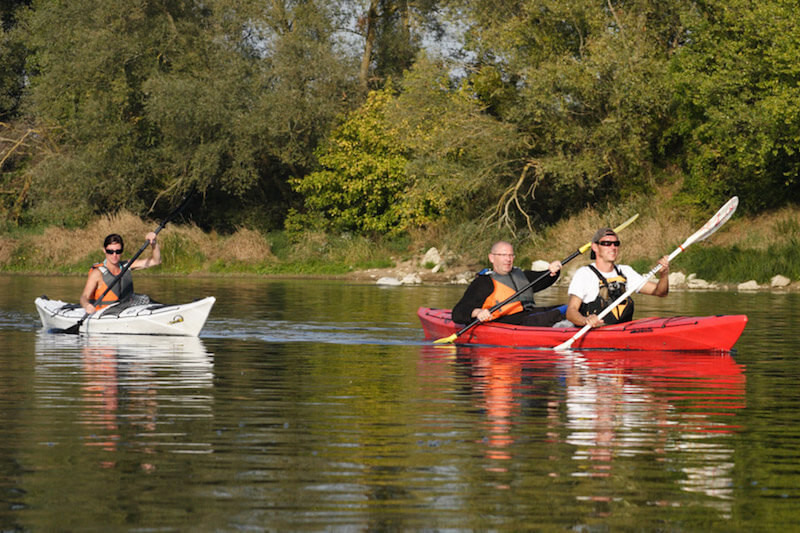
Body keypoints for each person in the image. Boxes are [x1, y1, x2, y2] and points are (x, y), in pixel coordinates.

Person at [565, 227, 669, 328]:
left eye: (616, 244)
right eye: (606, 243)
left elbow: (660, 292)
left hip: (623, 332)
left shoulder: (625, 271)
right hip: (595, 333)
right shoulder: (584, 274)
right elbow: (571, 311)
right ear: (595, 247)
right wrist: (585, 320)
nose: (613, 247)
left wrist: (664, 275)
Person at [452, 241, 565, 327]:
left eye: (511, 255)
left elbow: (544, 279)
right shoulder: (483, 283)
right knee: (556, 315)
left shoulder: (521, 275)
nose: (508, 259)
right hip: (507, 321)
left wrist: (554, 271)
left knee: (569, 308)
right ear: (492, 258)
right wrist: (477, 312)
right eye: (503, 255)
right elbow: (458, 312)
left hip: (529, 315)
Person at [79, 232, 161, 313]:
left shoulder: (127, 265)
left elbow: (156, 261)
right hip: (103, 313)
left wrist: (153, 244)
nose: (114, 255)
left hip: (126, 310)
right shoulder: (97, 273)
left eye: (118, 251)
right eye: (110, 251)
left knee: (145, 299)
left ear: (122, 251)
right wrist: (87, 305)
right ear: (104, 250)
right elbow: (84, 296)